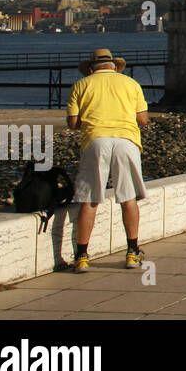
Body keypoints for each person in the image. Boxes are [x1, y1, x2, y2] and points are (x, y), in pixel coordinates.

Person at [66, 48, 150, 272]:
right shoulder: (131, 84)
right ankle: (132, 253)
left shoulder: (81, 86)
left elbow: (73, 123)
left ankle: (82, 257)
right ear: (115, 66)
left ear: (91, 69)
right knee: (128, 198)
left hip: (96, 141)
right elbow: (142, 119)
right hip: (126, 141)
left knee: (90, 200)